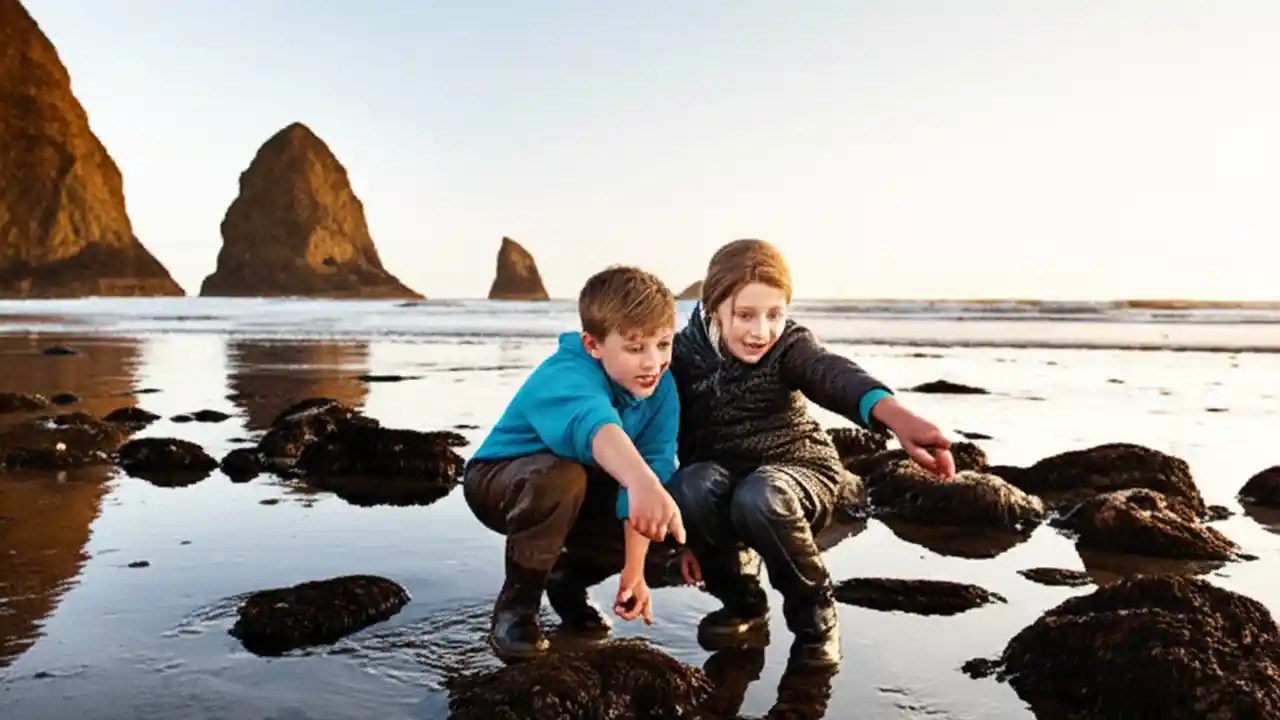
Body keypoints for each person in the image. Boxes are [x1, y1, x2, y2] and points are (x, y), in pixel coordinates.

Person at [668, 239, 956, 669]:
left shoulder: (789, 346)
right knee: (689, 486)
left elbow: (831, 374)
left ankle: (816, 618)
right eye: (745, 315)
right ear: (713, 308)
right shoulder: (679, 355)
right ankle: (743, 604)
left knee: (761, 495)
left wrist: (897, 418)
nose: (760, 331)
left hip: (797, 471)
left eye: (774, 314)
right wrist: (684, 539)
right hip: (721, 482)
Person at [463, 265, 687, 661]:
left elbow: (652, 464)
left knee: (664, 523)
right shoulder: (566, 372)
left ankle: (567, 583)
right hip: (502, 480)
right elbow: (593, 424)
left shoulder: (661, 388)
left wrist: (634, 571)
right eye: (635, 348)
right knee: (561, 479)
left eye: (663, 344)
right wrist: (642, 483)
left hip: (586, 486)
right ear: (593, 344)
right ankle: (517, 608)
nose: (653, 362)